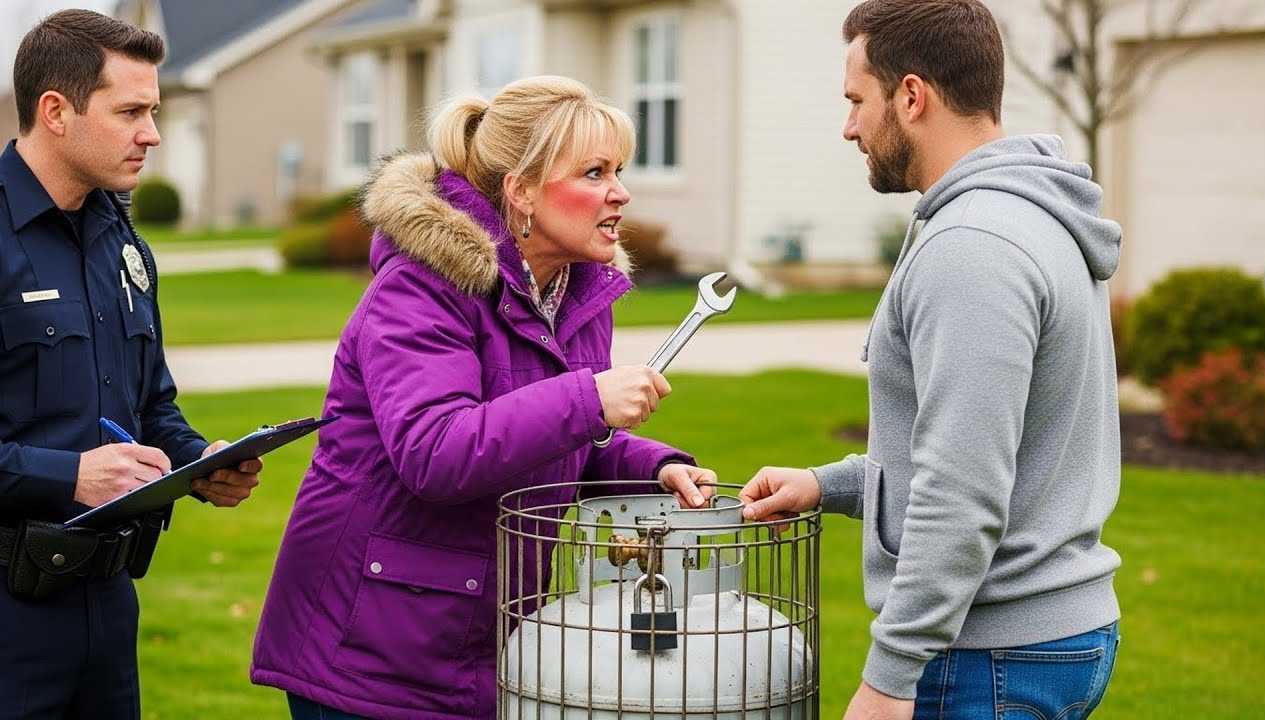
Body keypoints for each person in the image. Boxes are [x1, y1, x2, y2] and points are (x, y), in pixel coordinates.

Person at [250, 75, 717, 720]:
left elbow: (555, 442)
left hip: (485, 631)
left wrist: (653, 467)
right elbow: (436, 452)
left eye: (619, 170)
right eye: (593, 172)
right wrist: (589, 399)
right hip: (372, 646)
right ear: (521, 192)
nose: (620, 192)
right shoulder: (419, 286)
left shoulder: (579, 294)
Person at [738, 1, 1124, 718]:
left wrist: (889, 678)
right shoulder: (1032, 215)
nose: (848, 126)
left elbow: (963, 488)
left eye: (857, 101)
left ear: (912, 96)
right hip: (1047, 634)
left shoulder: (973, 245)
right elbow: (1001, 441)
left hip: (987, 654)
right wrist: (830, 483)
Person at [0, 9, 262, 720]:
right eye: (131, 111)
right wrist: (70, 474)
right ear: (56, 111)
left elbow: (150, 408)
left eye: (154, 110)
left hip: (109, 610)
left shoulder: (123, 241)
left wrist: (199, 462)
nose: (152, 132)